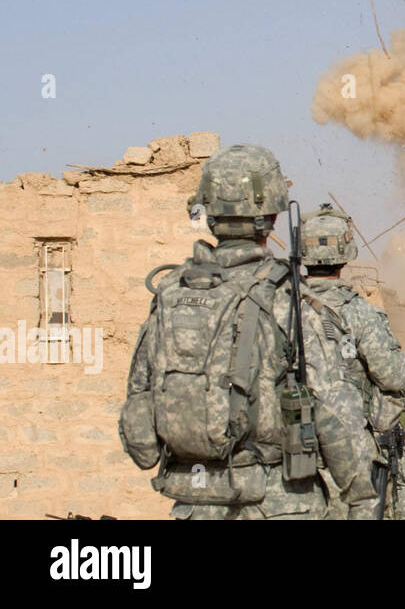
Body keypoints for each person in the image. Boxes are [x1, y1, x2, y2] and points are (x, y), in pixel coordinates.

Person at [118, 145, 375, 519]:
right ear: (271, 215)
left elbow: (138, 406)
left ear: (207, 211)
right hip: (279, 503)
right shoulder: (286, 299)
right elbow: (334, 411)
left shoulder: (171, 293)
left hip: (193, 504)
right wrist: (361, 499)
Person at [299, 203, 405, 519]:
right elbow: (399, 380)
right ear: (345, 255)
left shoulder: (279, 308)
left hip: (290, 453)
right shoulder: (360, 314)